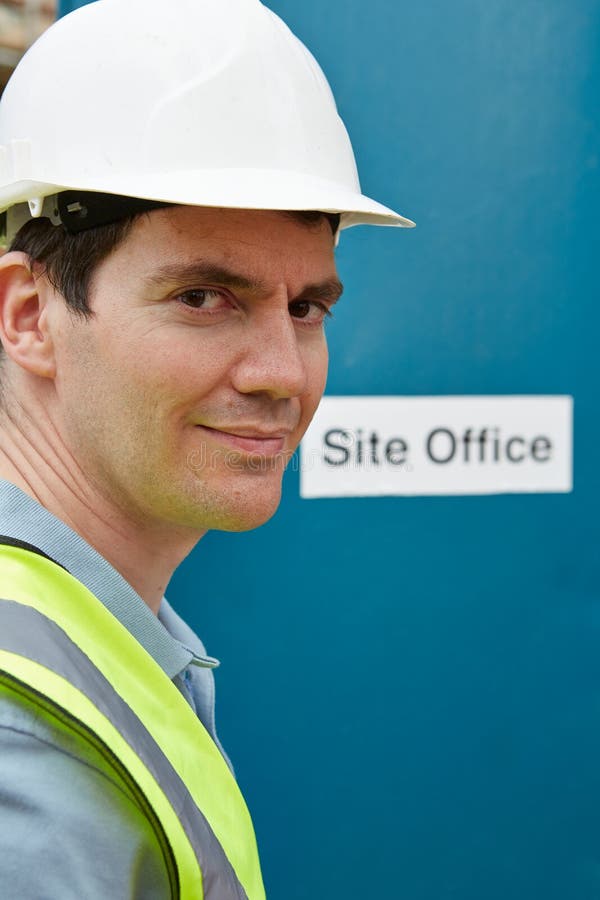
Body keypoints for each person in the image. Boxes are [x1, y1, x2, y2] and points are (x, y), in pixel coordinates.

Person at [0, 0, 414, 897]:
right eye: (202, 298)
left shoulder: (90, 629)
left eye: (306, 307)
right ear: (30, 316)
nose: (282, 374)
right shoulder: (18, 748)